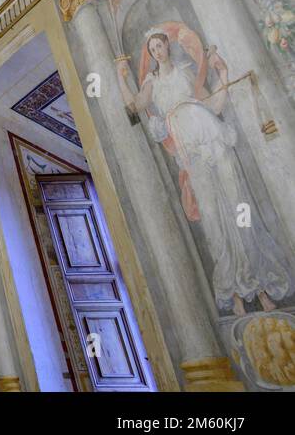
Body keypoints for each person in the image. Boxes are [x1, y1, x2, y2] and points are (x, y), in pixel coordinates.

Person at [118, 25, 290, 315]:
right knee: (212, 218)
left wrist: (222, 75)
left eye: (160, 45)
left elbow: (214, 105)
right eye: (152, 49)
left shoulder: (186, 71)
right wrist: (120, 77)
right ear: (150, 54)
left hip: (211, 135)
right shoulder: (151, 81)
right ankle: (234, 289)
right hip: (190, 151)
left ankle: (259, 286)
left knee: (239, 206)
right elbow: (135, 108)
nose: (157, 51)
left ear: (168, 45)